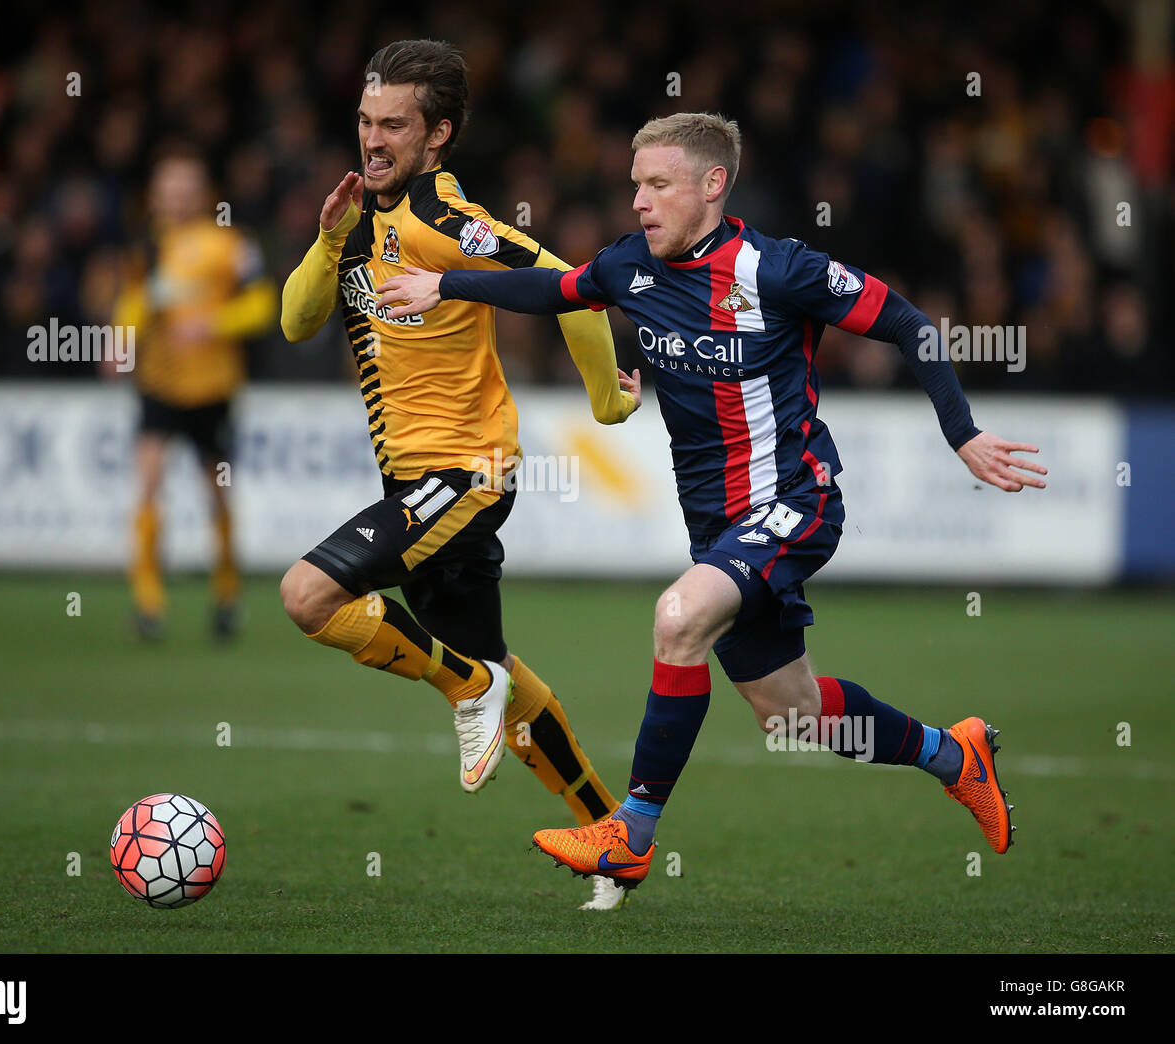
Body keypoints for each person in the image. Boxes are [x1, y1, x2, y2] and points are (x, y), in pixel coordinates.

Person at [377, 112, 1048, 890]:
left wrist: (961, 434)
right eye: (635, 186)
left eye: (657, 185)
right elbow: (556, 289)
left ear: (712, 184)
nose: (639, 203)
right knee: (791, 713)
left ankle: (631, 832)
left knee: (678, 616)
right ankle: (953, 753)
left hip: (796, 499)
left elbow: (906, 322)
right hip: (720, 528)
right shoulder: (630, 266)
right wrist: (445, 283)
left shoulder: (777, 268)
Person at [279, 40, 638, 909]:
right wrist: (328, 241)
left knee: (307, 595)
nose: (373, 138)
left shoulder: (444, 219)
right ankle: (612, 840)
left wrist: (607, 402)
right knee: (496, 663)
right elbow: (296, 322)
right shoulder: (358, 217)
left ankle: (468, 689)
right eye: (365, 120)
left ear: (437, 135)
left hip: (466, 472)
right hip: (420, 482)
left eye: (394, 124)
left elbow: (567, 283)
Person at [112, 145, 276, 640]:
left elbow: (264, 305)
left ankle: (226, 594)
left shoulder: (230, 245)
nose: (176, 198)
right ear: (157, 197)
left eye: (185, 189)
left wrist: (216, 324)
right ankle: (148, 604)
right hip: (160, 385)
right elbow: (136, 302)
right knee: (147, 482)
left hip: (212, 389)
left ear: (202, 194)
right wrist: (122, 342)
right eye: (167, 189)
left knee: (218, 495)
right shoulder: (147, 248)